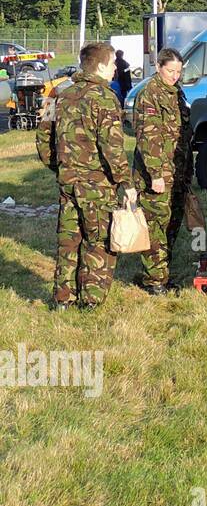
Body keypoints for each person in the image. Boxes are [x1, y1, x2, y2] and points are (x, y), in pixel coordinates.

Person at [40, 42, 136, 311]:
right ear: (102, 65)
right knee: (99, 241)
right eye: (113, 64)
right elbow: (112, 147)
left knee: (68, 241)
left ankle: (63, 299)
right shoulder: (104, 98)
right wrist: (124, 182)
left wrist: (59, 167)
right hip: (96, 186)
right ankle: (91, 300)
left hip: (68, 183)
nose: (116, 69)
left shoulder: (58, 94)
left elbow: (43, 136)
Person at [131, 47, 193, 295]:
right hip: (157, 175)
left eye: (178, 71)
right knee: (156, 227)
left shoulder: (176, 92)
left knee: (171, 226)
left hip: (177, 171)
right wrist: (156, 174)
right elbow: (148, 137)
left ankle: (163, 275)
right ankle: (154, 281)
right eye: (170, 71)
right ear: (158, 67)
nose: (175, 75)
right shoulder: (150, 94)